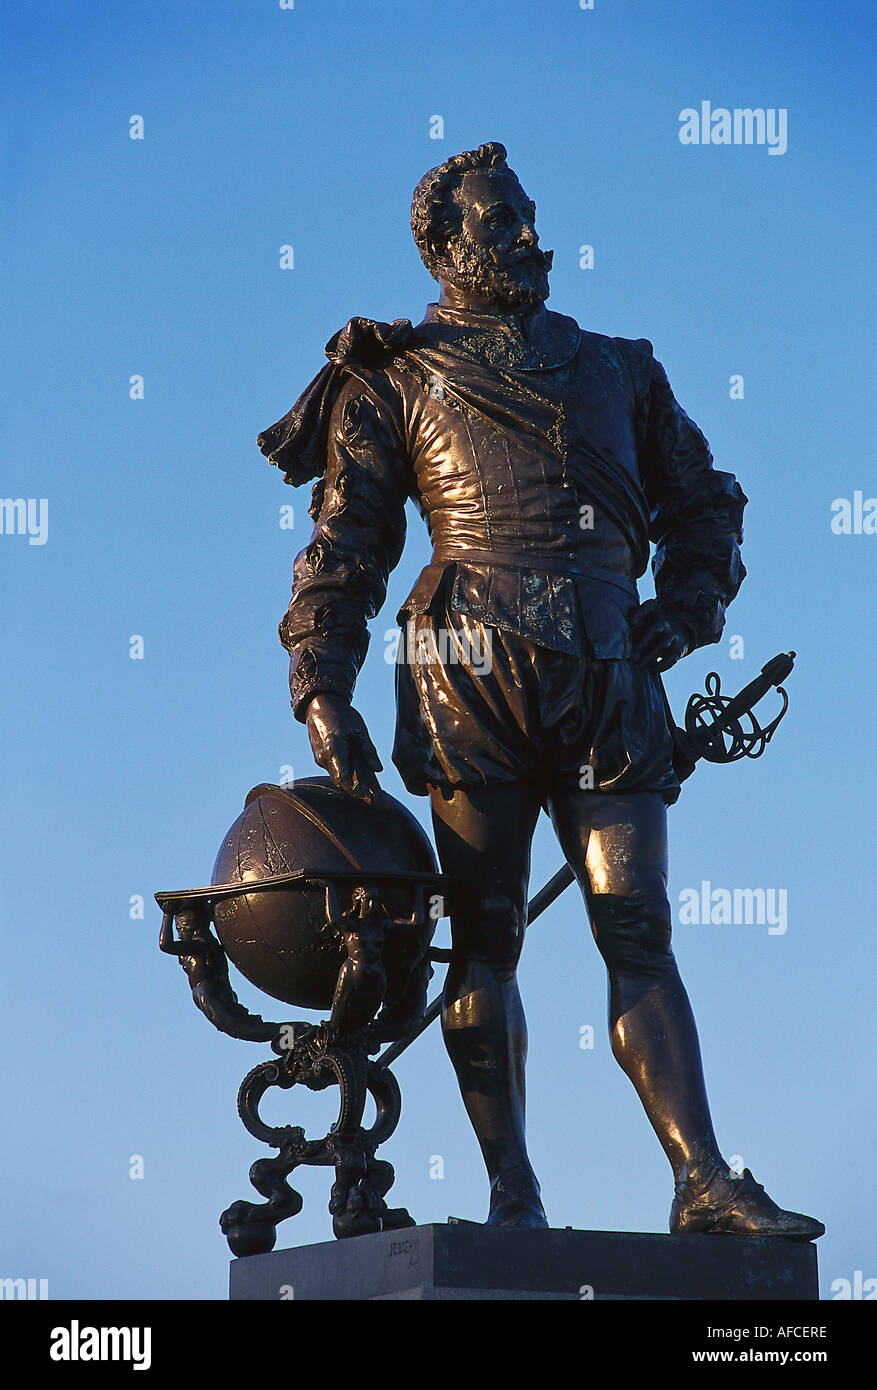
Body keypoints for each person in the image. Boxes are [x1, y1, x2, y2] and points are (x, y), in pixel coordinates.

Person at [258, 143, 823, 1239]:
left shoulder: (622, 368)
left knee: (639, 924)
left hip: (610, 666)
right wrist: (319, 686)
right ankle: (512, 1196)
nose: (526, 235)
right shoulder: (391, 373)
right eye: (499, 220)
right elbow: (345, 546)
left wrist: (690, 602)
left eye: (526, 214)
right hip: (466, 667)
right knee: (486, 938)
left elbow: (703, 504)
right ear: (443, 244)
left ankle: (702, 1177)